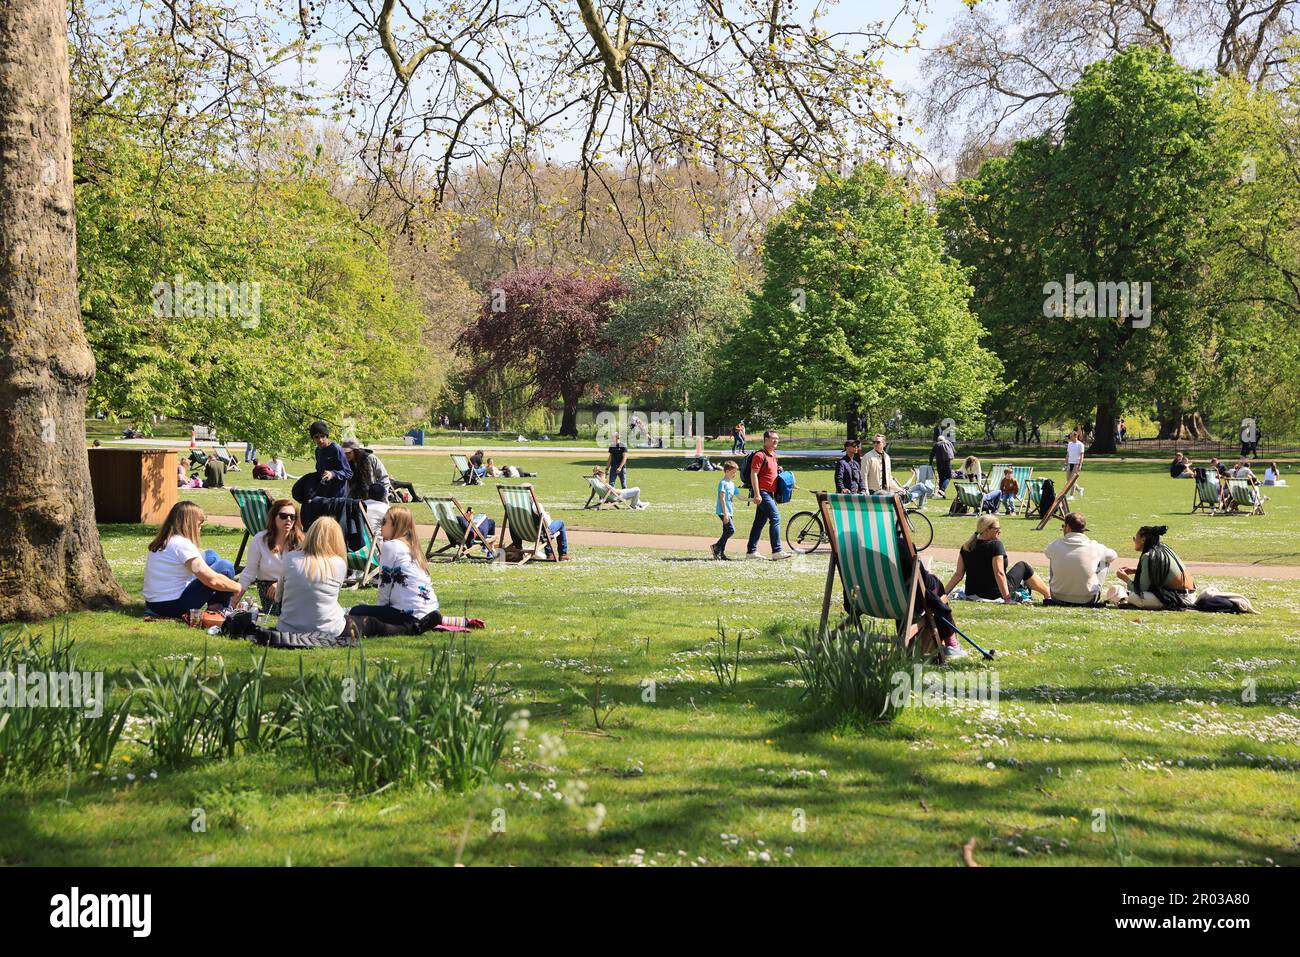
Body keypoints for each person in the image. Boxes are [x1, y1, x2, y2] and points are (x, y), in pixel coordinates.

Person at [143, 501, 240, 618]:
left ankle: (215, 603)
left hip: (153, 603)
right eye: (199, 524)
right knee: (225, 566)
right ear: (190, 524)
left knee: (211, 556)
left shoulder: (165, 540)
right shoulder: (181, 544)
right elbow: (212, 580)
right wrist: (236, 587)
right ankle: (220, 607)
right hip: (171, 606)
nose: (200, 528)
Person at [944, 514, 1050, 603]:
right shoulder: (995, 545)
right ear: (986, 530)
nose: (1000, 532)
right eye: (997, 529)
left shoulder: (967, 546)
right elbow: (999, 573)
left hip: (971, 593)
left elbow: (958, 575)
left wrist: (943, 594)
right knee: (1023, 566)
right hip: (994, 593)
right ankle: (1048, 595)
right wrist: (1007, 598)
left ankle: (1047, 594)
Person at [273, 516, 349, 638]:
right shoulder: (339, 563)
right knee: (370, 623)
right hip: (328, 630)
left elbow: (278, 597)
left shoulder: (290, 558)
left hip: (287, 628)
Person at [233, 498, 302, 612]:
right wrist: (234, 601)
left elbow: (304, 573)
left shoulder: (300, 542)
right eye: (283, 516)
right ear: (274, 517)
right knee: (281, 612)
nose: (288, 519)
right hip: (269, 588)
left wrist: (281, 583)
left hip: (292, 585)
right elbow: (249, 572)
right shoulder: (260, 539)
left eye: (292, 517)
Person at [1042, 512, 1117, 606]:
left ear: (1068, 527)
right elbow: (1113, 555)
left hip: (1058, 596)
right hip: (1087, 598)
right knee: (1105, 560)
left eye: (1063, 526)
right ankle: (1092, 588)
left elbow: (1047, 552)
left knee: (1053, 557)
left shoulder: (1055, 545)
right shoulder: (1095, 546)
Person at [1117, 525, 1195, 610]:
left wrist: (1125, 578)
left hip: (1180, 599)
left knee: (1133, 596)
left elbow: (1142, 588)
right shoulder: (1163, 548)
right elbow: (1160, 571)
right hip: (1190, 595)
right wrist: (1135, 570)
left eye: (1135, 538)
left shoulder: (1148, 556)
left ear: (1143, 539)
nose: (1134, 541)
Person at [746, 429, 790, 560]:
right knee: (775, 518)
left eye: (777, 438)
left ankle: (751, 552)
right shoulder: (760, 455)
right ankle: (776, 551)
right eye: (773, 438)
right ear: (766, 440)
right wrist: (757, 494)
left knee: (759, 522)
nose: (776, 440)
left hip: (770, 493)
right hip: (762, 492)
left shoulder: (773, 455)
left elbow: (772, 473)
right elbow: (753, 474)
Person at [305, 421, 351, 499]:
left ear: (327, 436)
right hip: (324, 494)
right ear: (312, 438)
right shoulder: (318, 450)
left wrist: (333, 474)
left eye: (322, 436)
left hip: (338, 496)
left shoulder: (336, 449)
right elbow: (319, 471)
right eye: (316, 437)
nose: (320, 440)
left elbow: (348, 473)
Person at [711, 460, 739, 560]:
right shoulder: (722, 483)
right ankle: (717, 546)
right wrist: (725, 513)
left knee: (726, 531)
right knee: (731, 530)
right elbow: (722, 498)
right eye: (733, 472)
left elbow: (739, 496)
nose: (735, 474)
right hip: (723, 511)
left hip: (729, 511)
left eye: (735, 472)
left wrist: (753, 499)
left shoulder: (731, 484)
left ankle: (720, 553)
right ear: (727, 471)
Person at [929, 431, 955, 495]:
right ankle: (942, 490)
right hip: (947, 463)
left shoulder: (936, 445)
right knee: (948, 476)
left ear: (938, 440)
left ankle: (941, 492)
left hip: (939, 464)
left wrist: (930, 463)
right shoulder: (948, 443)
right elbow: (952, 453)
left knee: (941, 478)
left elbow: (931, 455)